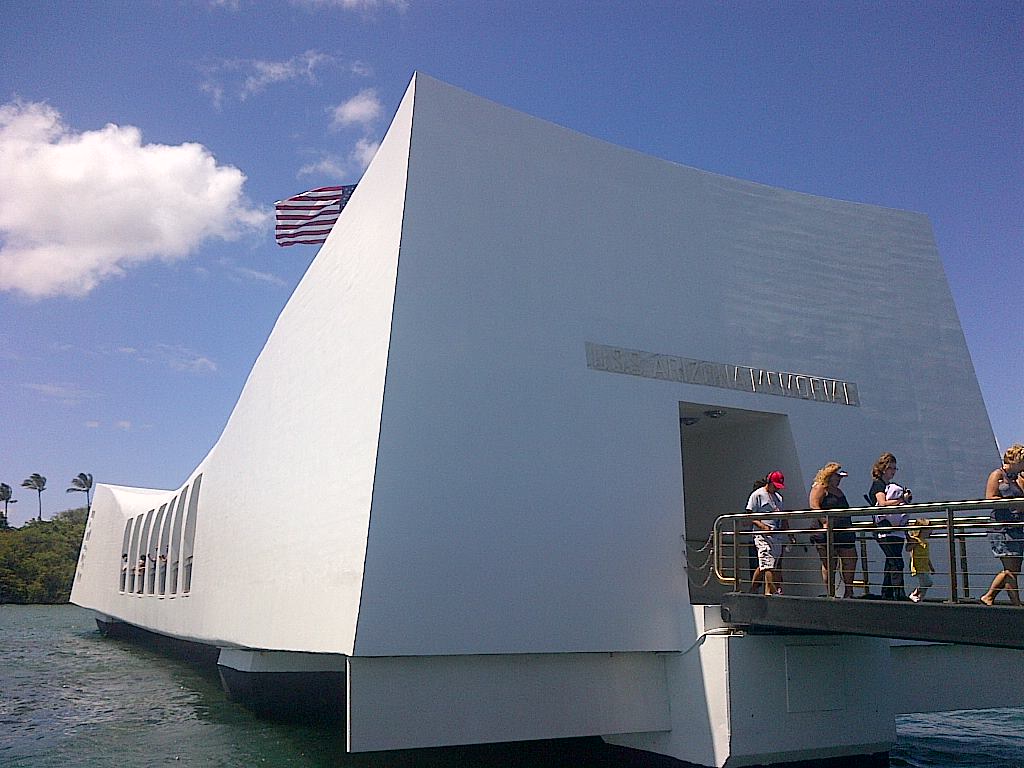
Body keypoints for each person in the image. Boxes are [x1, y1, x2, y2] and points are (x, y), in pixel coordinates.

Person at [980, 444, 1024, 606]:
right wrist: (1012, 503)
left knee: (1014, 569)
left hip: (1016, 527)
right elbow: (990, 498)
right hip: (1002, 527)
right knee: (1010, 569)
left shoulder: (1015, 478)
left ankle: (990, 596)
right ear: (1015, 460)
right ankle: (1016, 604)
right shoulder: (997, 474)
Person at [809, 462, 857, 598]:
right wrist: (825, 522)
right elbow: (814, 505)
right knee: (830, 563)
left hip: (843, 531)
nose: (839, 479)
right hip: (826, 532)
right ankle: (831, 592)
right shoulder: (820, 488)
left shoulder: (838, 491)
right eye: (837, 476)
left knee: (850, 559)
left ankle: (849, 591)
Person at [869, 452, 910, 600]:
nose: (893, 471)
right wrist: (902, 500)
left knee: (891, 561)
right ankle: (899, 594)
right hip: (884, 530)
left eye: (894, 468)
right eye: (890, 468)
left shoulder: (886, 485)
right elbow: (883, 504)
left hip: (894, 530)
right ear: (883, 468)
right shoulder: (878, 484)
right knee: (896, 562)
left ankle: (887, 594)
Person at [746, 471, 786, 595]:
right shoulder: (757, 495)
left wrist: (789, 533)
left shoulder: (778, 498)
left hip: (776, 536)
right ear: (769, 482)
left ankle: (752, 589)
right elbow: (749, 514)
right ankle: (769, 591)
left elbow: (783, 516)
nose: (776, 489)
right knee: (768, 563)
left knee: (767, 563)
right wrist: (762, 525)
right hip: (762, 536)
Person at [905, 519, 935, 603]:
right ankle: (913, 594)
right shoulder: (915, 540)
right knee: (928, 583)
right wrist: (912, 544)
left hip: (924, 566)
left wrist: (931, 566)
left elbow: (926, 556)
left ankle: (920, 599)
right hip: (918, 566)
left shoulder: (925, 542)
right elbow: (907, 549)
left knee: (924, 584)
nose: (930, 531)